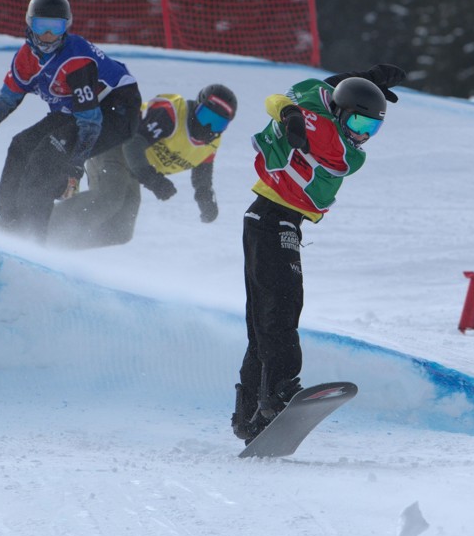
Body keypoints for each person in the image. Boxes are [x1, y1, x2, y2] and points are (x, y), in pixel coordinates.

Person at [231, 64, 407, 444]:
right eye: (358, 123)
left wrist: (361, 80)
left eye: (371, 128)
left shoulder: (343, 144)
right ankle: (279, 392)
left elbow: (314, 94)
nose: (362, 136)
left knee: (263, 322)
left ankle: (249, 416)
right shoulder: (334, 143)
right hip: (273, 219)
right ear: (340, 113)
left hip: (269, 219)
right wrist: (290, 114)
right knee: (283, 306)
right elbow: (282, 100)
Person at [0, 0, 141, 244]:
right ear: (30, 24)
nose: (48, 35)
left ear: (66, 27)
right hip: (75, 109)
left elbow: (91, 123)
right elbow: (5, 102)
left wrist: (74, 166)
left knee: (47, 157)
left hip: (117, 111)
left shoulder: (75, 61)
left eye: (56, 27)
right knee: (21, 145)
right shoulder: (25, 59)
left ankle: (32, 238)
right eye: (41, 26)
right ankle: (10, 222)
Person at [45, 84, 237, 249]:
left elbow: (203, 173)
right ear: (196, 106)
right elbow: (134, 144)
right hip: (115, 143)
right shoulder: (171, 112)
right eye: (205, 116)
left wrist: (205, 198)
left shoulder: (211, 144)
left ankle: (59, 246)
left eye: (218, 124)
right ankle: (39, 224)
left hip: (135, 168)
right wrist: (153, 180)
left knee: (120, 230)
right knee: (110, 198)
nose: (208, 127)